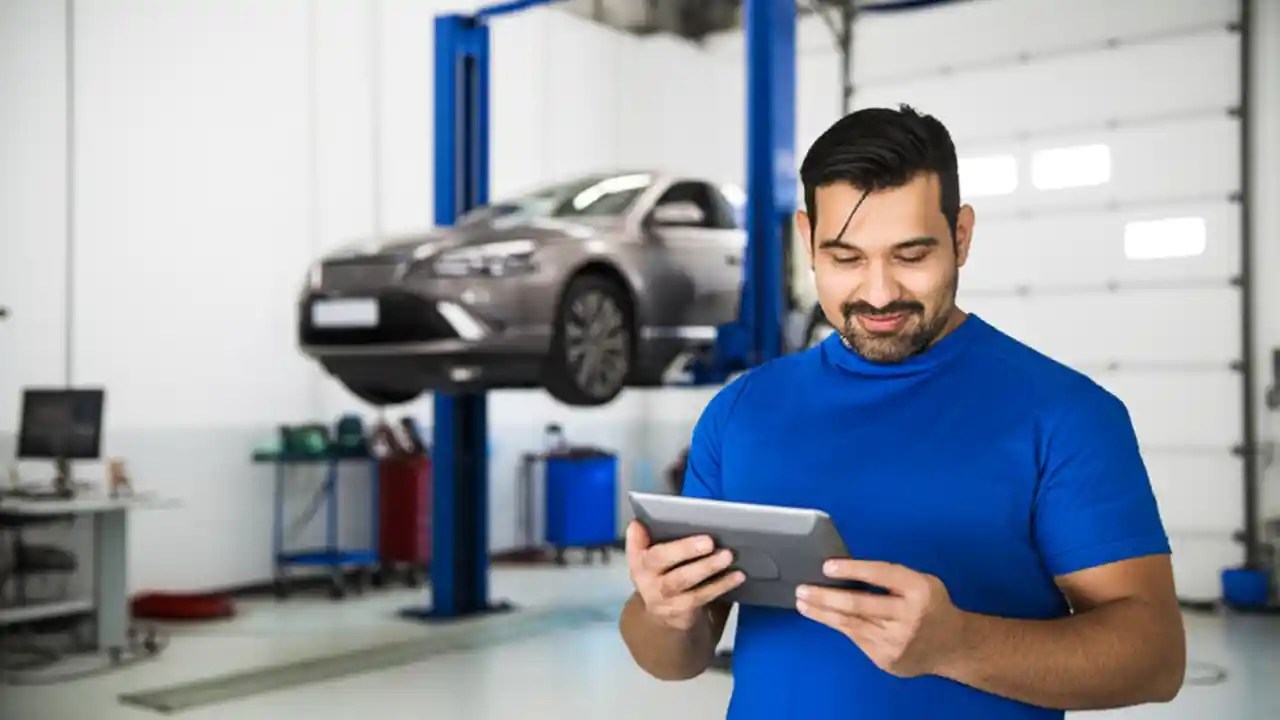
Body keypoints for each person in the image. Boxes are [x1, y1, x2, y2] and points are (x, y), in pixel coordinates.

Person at [618, 105, 1186, 719]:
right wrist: (664, 614)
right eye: (846, 258)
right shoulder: (742, 412)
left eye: (911, 256)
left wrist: (958, 645)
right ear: (807, 240)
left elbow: (1154, 658)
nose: (880, 292)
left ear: (961, 236)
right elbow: (676, 658)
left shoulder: (1066, 416)